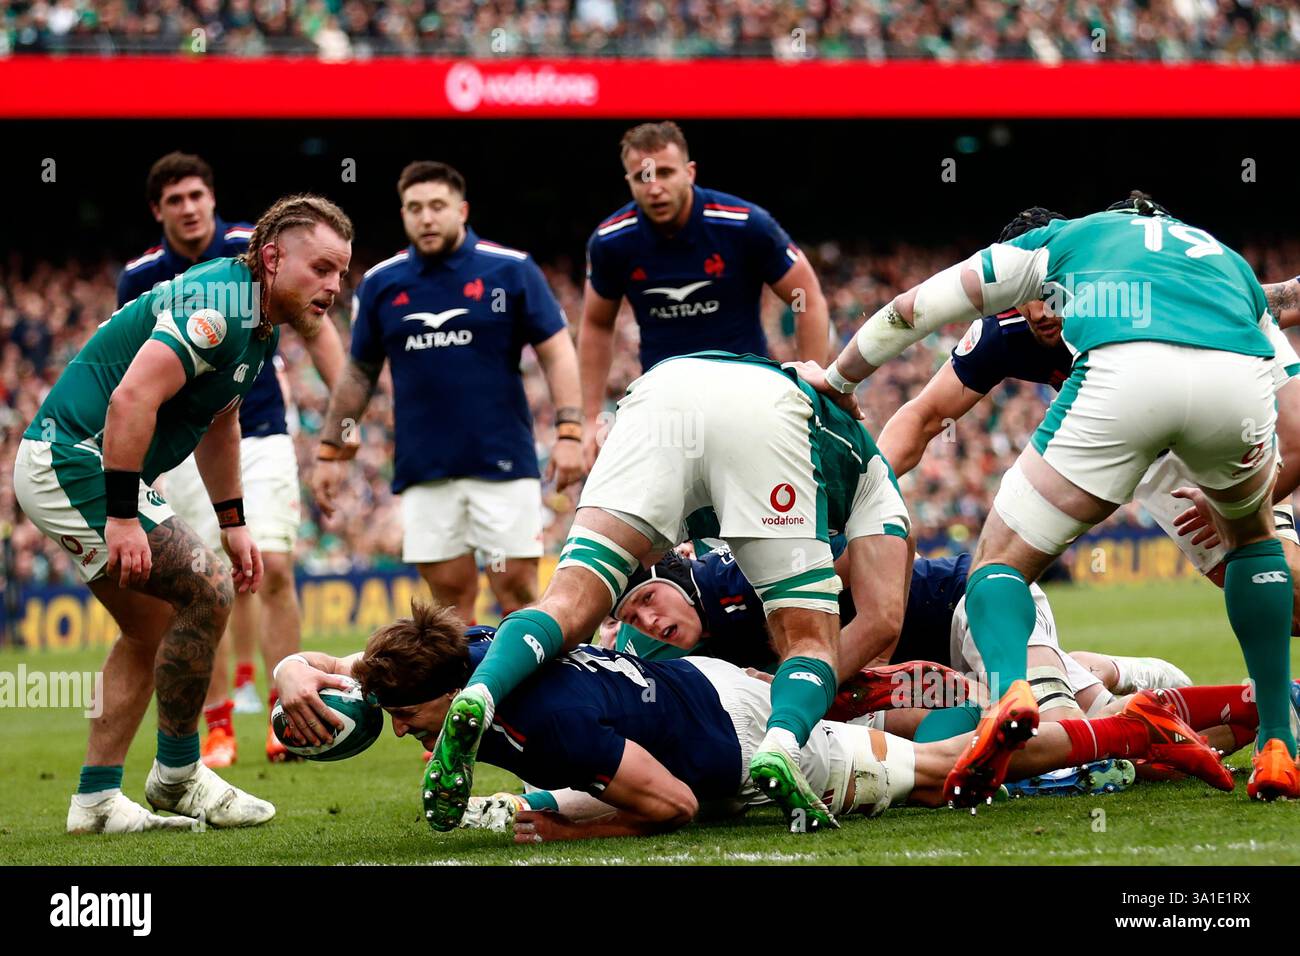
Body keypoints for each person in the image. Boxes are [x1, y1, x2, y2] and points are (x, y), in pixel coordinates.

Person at [800, 191, 1299, 801]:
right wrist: (869, 490)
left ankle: (1013, 696)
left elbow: (913, 307)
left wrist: (839, 377)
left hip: (1126, 396)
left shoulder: (1052, 251)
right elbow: (924, 416)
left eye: (1047, 296)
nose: (1041, 313)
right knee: (1260, 556)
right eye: (1028, 302)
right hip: (1223, 397)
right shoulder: (1215, 267)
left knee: (1003, 559)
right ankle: (1279, 736)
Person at [272, 602, 1230, 842]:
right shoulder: (474, 648)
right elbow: (329, 668)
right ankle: (1121, 715)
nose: (403, 733)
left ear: (450, 695)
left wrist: (574, 821)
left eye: (410, 721)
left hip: (736, 739)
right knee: (914, 723)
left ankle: (1133, 725)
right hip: (703, 687)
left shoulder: (546, 719)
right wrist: (288, 669)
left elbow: (677, 806)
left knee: (945, 771)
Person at [14, 193, 353, 832]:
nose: (334, 286)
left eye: (341, 272)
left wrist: (233, 521)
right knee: (207, 589)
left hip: (79, 462)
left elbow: (218, 421)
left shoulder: (256, 320)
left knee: (152, 628)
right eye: (323, 268)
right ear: (273, 258)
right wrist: (119, 518)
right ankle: (178, 776)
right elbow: (130, 400)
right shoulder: (221, 310)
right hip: (72, 458)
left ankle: (95, 802)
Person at [118, 152, 346, 767]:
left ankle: (287, 713)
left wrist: (343, 422)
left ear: (212, 200)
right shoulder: (139, 277)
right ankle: (218, 724)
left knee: (271, 564)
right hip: (184, 444)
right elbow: (136, 382)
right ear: (157, 210)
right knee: (203, 580)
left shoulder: (259, 247)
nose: (189, 208)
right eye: (175, 200)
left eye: (197, 195)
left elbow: (318, 330)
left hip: (261, 427)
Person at [313, 161, 582, 626]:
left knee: (516, 587)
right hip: (424, 468)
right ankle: (462, 696)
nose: (426, 218)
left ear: (462, 210)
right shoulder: (381, 283)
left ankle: (529, 697)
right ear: (403, 214)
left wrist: (571, 431)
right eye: (414, 208)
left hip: (501, 462)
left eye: (437, 206)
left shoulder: (511, 271)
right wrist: (329, 450)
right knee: (448, 602)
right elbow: (358, 373)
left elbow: (557, 351)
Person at [579, 121, 831, 471]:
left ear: (690, 172)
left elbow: (808, 298)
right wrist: (590, 417)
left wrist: (811, 387)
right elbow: (596, 323)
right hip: (663, 408)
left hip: (748, 399)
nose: (655, 188)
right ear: (628, 183)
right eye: (642, 177)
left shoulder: (743, 224)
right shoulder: (611, 242)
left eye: (665, 173)